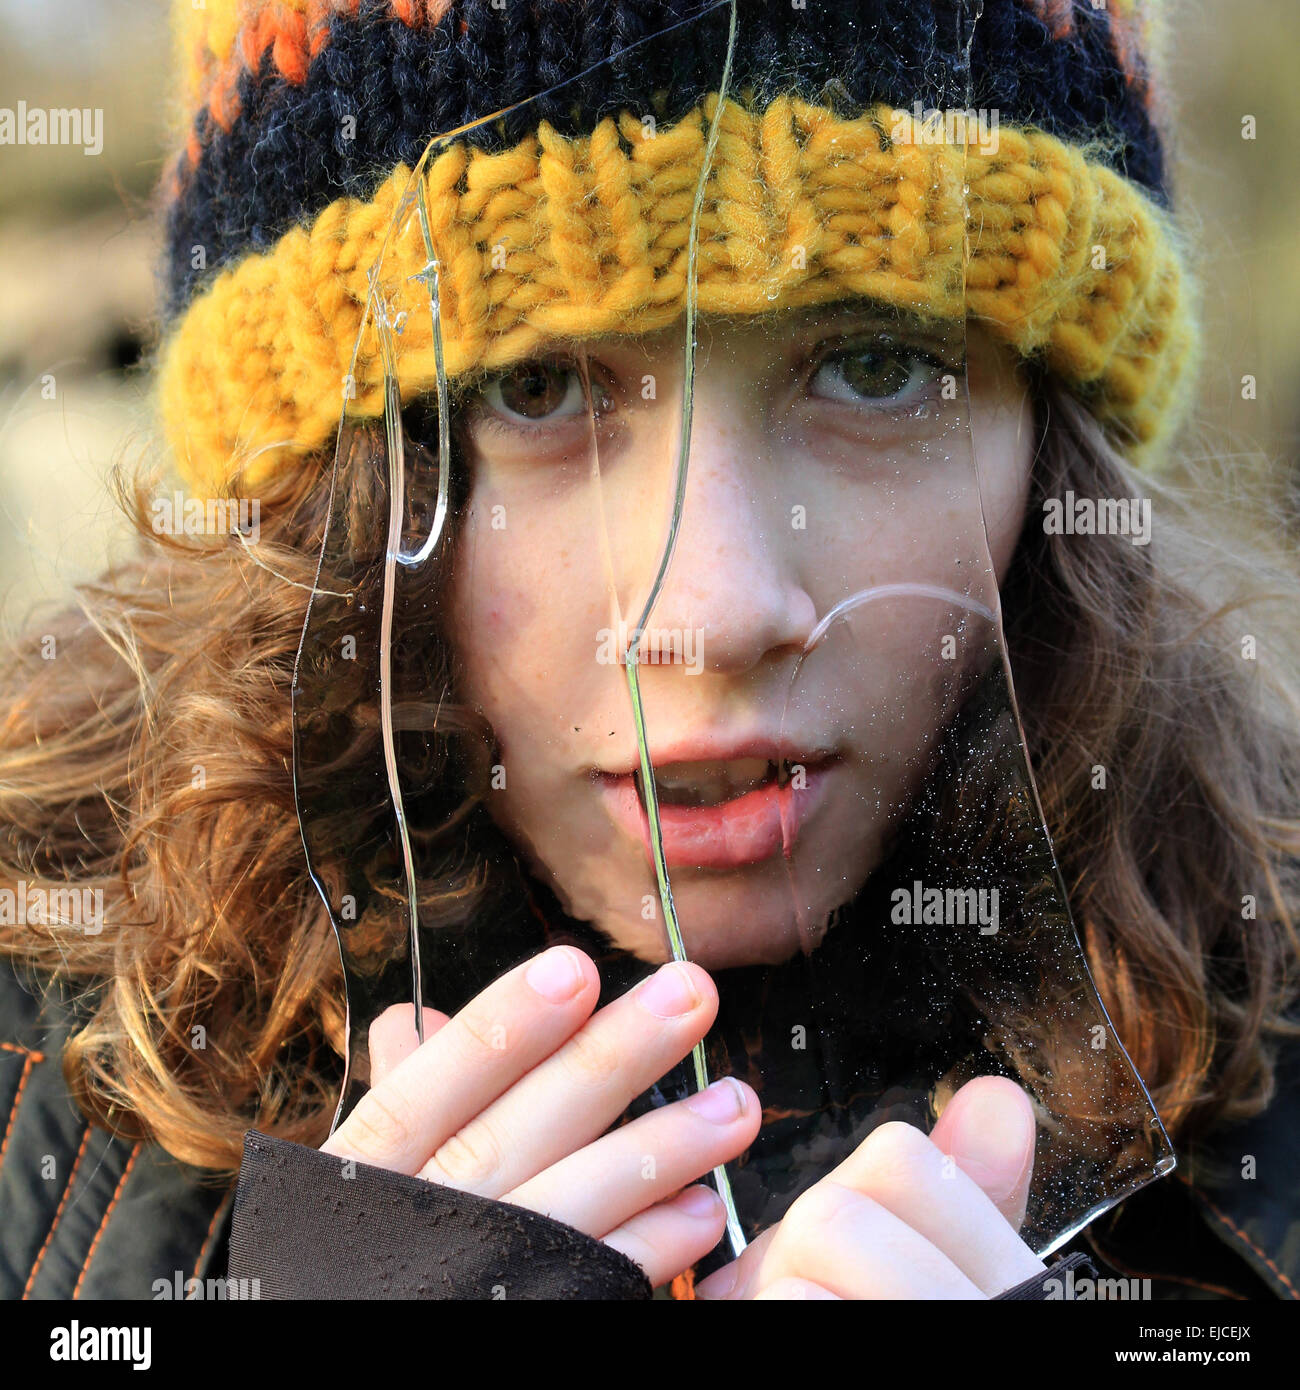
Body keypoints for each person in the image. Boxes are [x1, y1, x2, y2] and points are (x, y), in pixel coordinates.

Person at [2, 0, 1298, 1302]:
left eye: (876, 365)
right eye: (536, 388)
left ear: (1055, 433)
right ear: (313, 500)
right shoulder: (32, 1071)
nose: (717, 609)